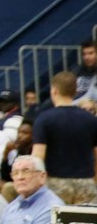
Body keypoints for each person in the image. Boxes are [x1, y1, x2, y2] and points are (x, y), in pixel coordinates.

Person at [31, 70, 97, 205]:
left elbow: (38, 156)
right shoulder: (91, 120)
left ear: (54, 90)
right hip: (86, 182)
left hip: (55, 183)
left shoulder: (44, 119)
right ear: (75, 92)